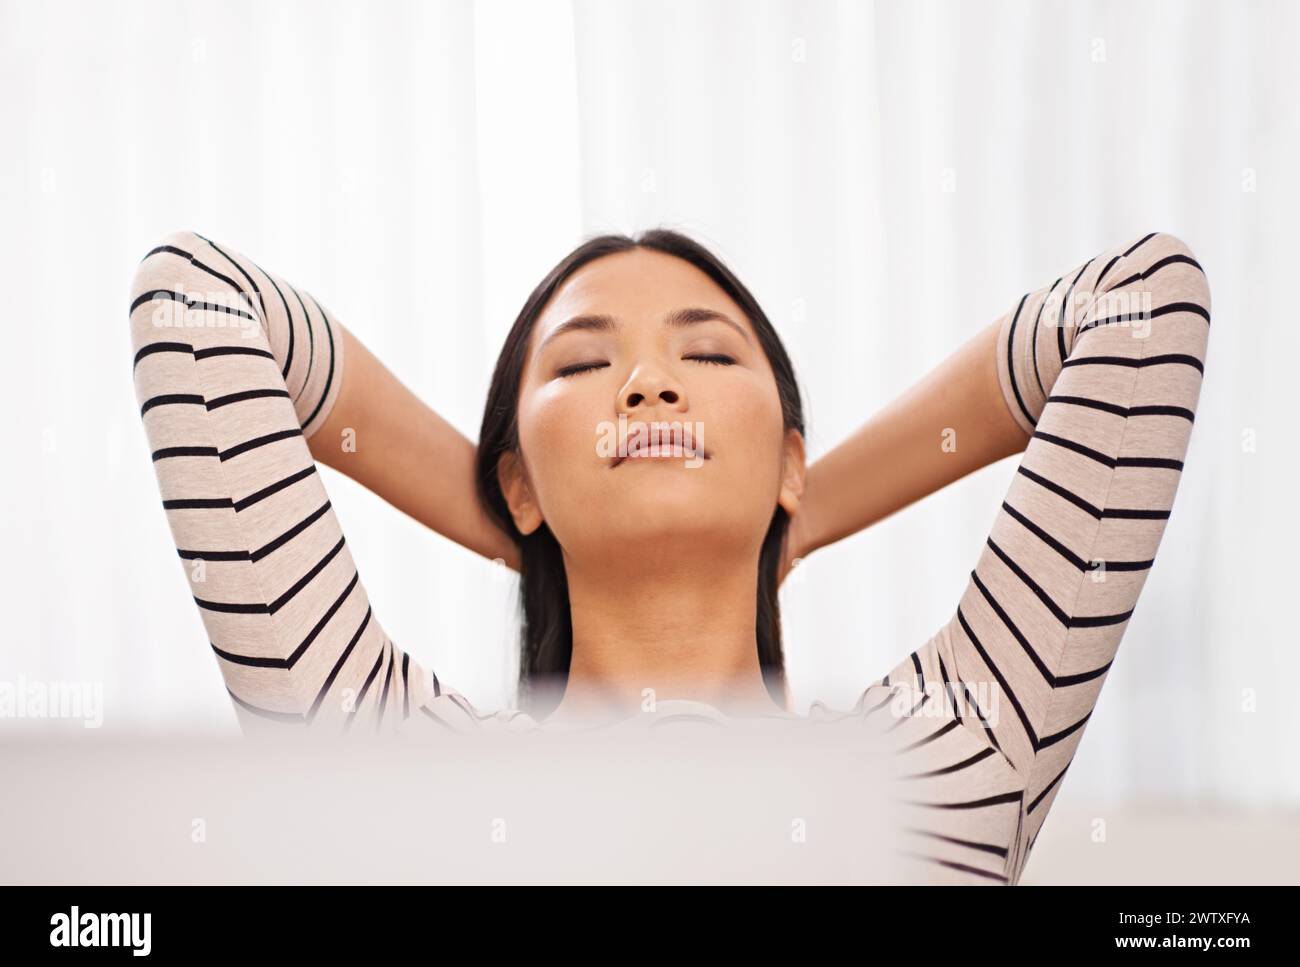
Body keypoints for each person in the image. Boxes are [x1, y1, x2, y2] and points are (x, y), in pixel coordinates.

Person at [127, 227, 1211, 883]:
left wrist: (800, 506)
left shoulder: (956, 751)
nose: (648, 384)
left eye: (705, 350)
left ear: (788, 453)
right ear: (517, 475)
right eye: (584, 364)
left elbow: (1141, 306)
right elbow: (197, 302)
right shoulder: (402, 775)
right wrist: (508, 515)